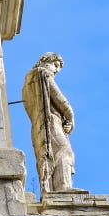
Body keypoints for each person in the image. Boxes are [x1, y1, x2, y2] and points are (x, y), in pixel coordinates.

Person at [22, 52, 76, 193]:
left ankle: (54, 187)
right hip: (51, 121)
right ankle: (63, 187)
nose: (56, 70)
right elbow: (58, 97)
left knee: (51, 153)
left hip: (38, 125)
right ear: (46, 61)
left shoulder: (27, 83)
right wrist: (70, 115)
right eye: (56, 65)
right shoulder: (44, 74)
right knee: (64, 151)